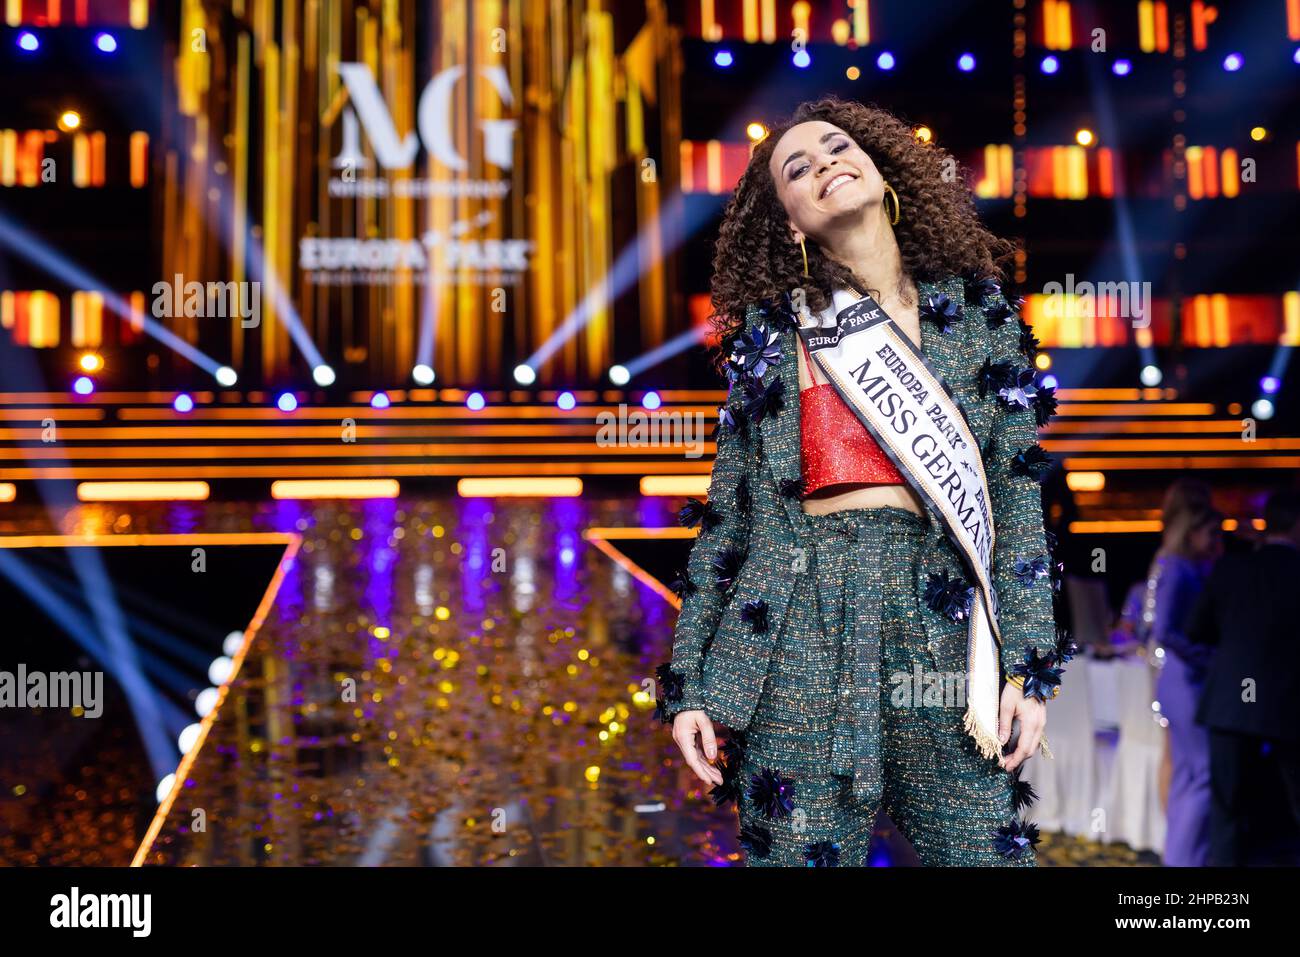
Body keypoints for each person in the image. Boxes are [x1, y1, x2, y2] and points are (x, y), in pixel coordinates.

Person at [653, 97, 1068, 866]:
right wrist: (689, 686)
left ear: (882, 171)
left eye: (838, 147)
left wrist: (1029, 666)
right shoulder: (773, 337)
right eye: (798, 168)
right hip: (797, 632)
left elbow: (1015, 505)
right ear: (789, 222)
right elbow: (727, 522)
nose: (825, 164)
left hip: (943, 633)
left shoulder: (981, 317)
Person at [1188, 487, 1300, 866]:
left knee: (1227, 812)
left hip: (1231, 703)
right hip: (1289, 704)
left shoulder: (1231, 567)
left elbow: (1196, 630)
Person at [1141, 504, 1223, 866]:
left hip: (1181, 678)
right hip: (1183, 680)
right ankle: (1184, 858)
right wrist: (1205, 655)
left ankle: (1181, 856)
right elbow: (1164, 630)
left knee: (1188, 774)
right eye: (1213, 533)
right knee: (1203, 773)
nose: (1218, 541)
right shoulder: (1177, 567)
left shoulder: (1188, 566)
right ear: (1192, 532)